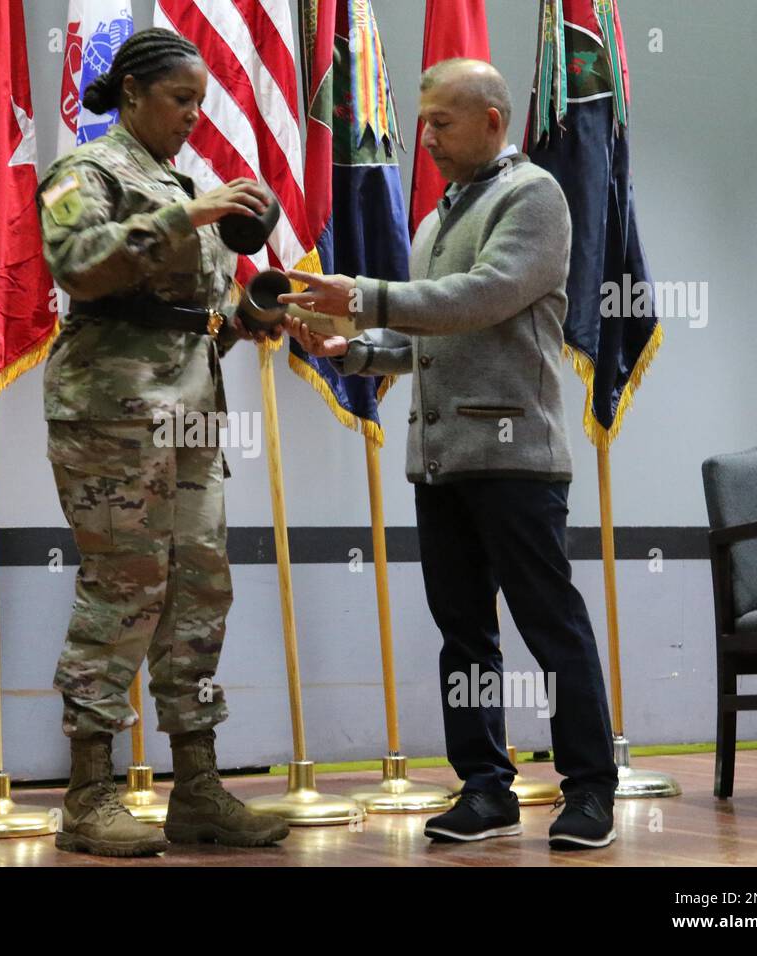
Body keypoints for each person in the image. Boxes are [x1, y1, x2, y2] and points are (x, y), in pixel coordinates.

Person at [283, 58, 619, 850]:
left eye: (441, 121)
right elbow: (423, 335)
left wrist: (360, 292)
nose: (424, 136)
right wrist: (350, 347)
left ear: (493, 122)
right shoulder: (436, 219)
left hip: (515, 459)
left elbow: (482, 298)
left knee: (550, 627)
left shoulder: (534, 196)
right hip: (440, 461)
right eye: (426, 120)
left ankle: (590, 790)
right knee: (462, 634)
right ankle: (484, 786)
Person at [36, 27, 290, 857]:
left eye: (198, 103)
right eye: (181, 100)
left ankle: (200, 791)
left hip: (188, 411)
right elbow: (78, 264)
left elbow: (188, 316)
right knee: (124, 586)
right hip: (111, 414)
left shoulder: (185, 180)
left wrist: (252, 317)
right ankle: (87, 796)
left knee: (199, 590)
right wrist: (192, 212)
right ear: (135, 92)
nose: (191, 116)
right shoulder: (84, 173)